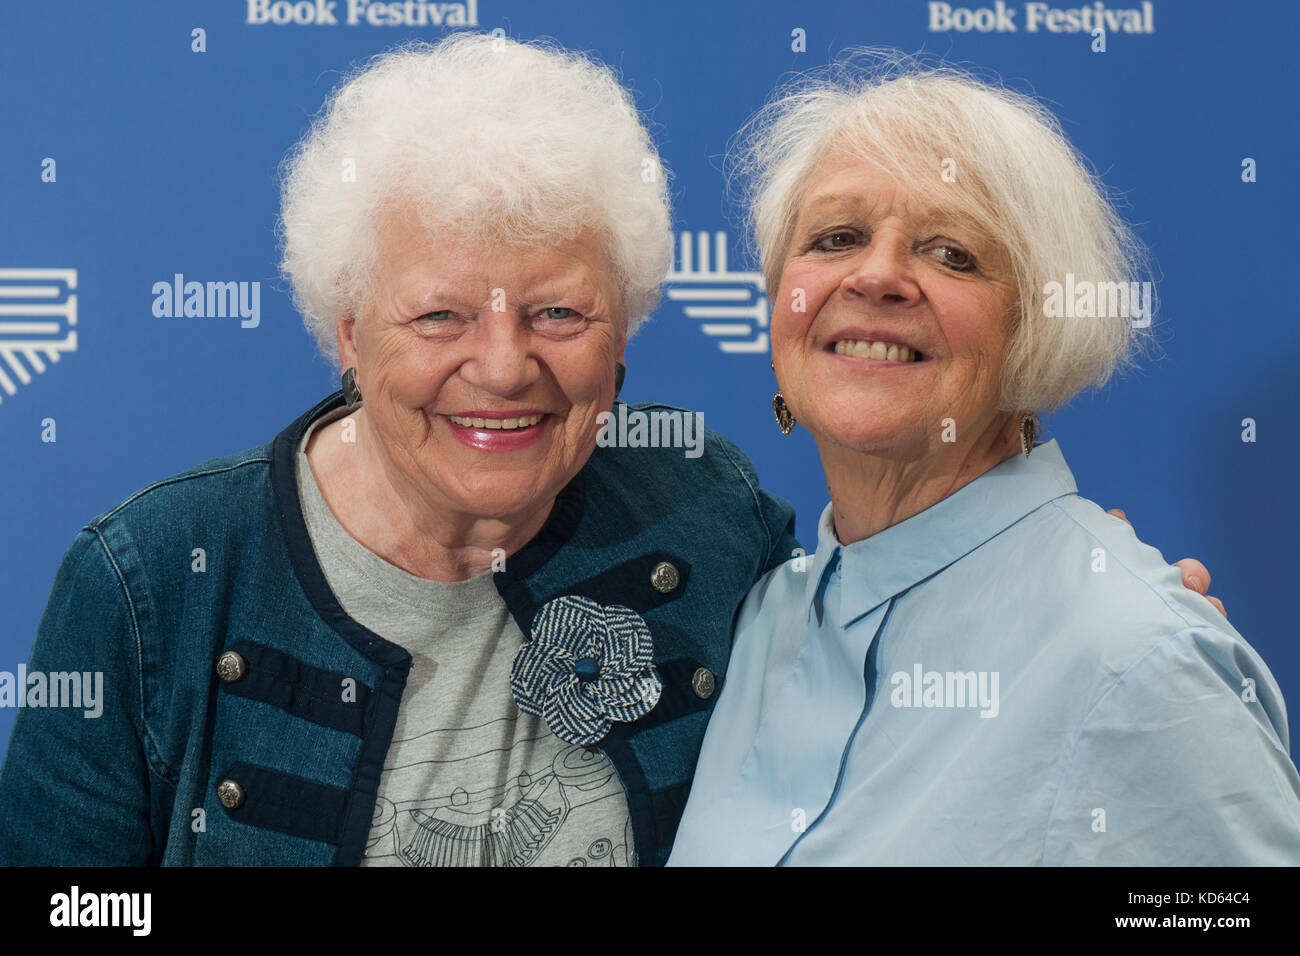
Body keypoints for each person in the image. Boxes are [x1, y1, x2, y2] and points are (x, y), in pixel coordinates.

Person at [0, 37, 1221, 868]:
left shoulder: (705, 517)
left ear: (625, 335)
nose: (502, 362)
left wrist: (1073, 598)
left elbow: (933, 594)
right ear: (348, 329)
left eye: (557, 313)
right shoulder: (154, 577)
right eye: (440, 315)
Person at [668, 54, 1300, 865]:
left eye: (951, 253)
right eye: (837, 237)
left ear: (1035, 327)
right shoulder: (755, 622)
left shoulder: (1137, 657)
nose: (877, 274)